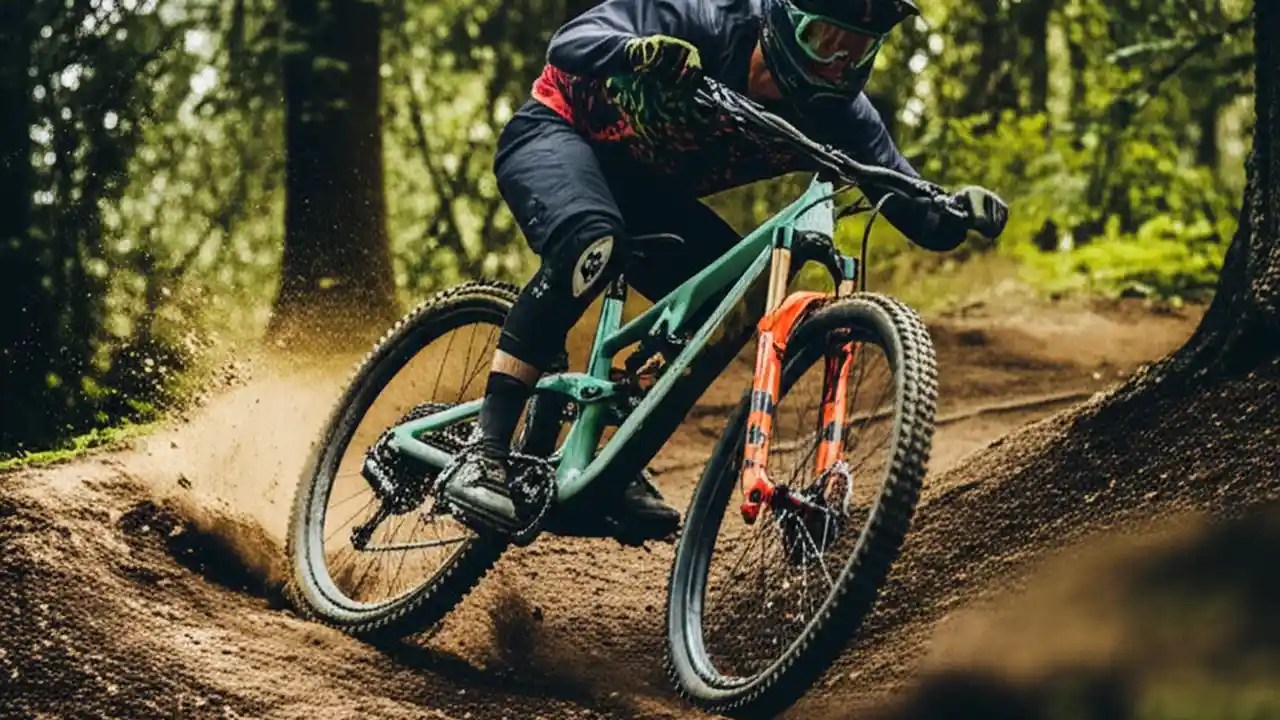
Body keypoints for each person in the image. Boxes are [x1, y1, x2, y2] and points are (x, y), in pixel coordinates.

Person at [441, 0, 1009, 536]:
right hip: (557, 132)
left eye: (857, 50)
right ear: (786, 17)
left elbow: (904, 195)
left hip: (646, 192)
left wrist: (956, 212)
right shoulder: (710, 17)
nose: (837, 64)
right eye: (824, 39)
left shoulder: (842, 115)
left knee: (727, 298)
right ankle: (482, 452)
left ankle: (607, 456)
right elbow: (571, 42)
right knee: (591, 245)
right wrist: (639, 53)